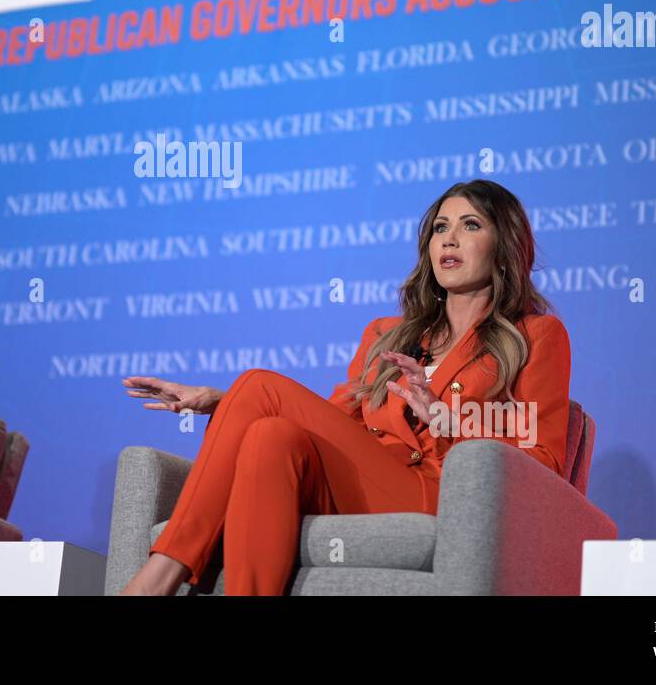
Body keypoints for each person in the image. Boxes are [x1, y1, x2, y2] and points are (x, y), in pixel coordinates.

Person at [118, 179, 571, 595]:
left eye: (470, 225)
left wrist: (448, 420)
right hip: (363, 484)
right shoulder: (386, 335)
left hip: (440, 494)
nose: (449, 239)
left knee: (259, 384)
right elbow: (334, 420)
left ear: (503, 244)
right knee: (270, 435)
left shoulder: (536, 336)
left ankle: (157, 578)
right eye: (439, 228)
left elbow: (543, 461)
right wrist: (224, 402)